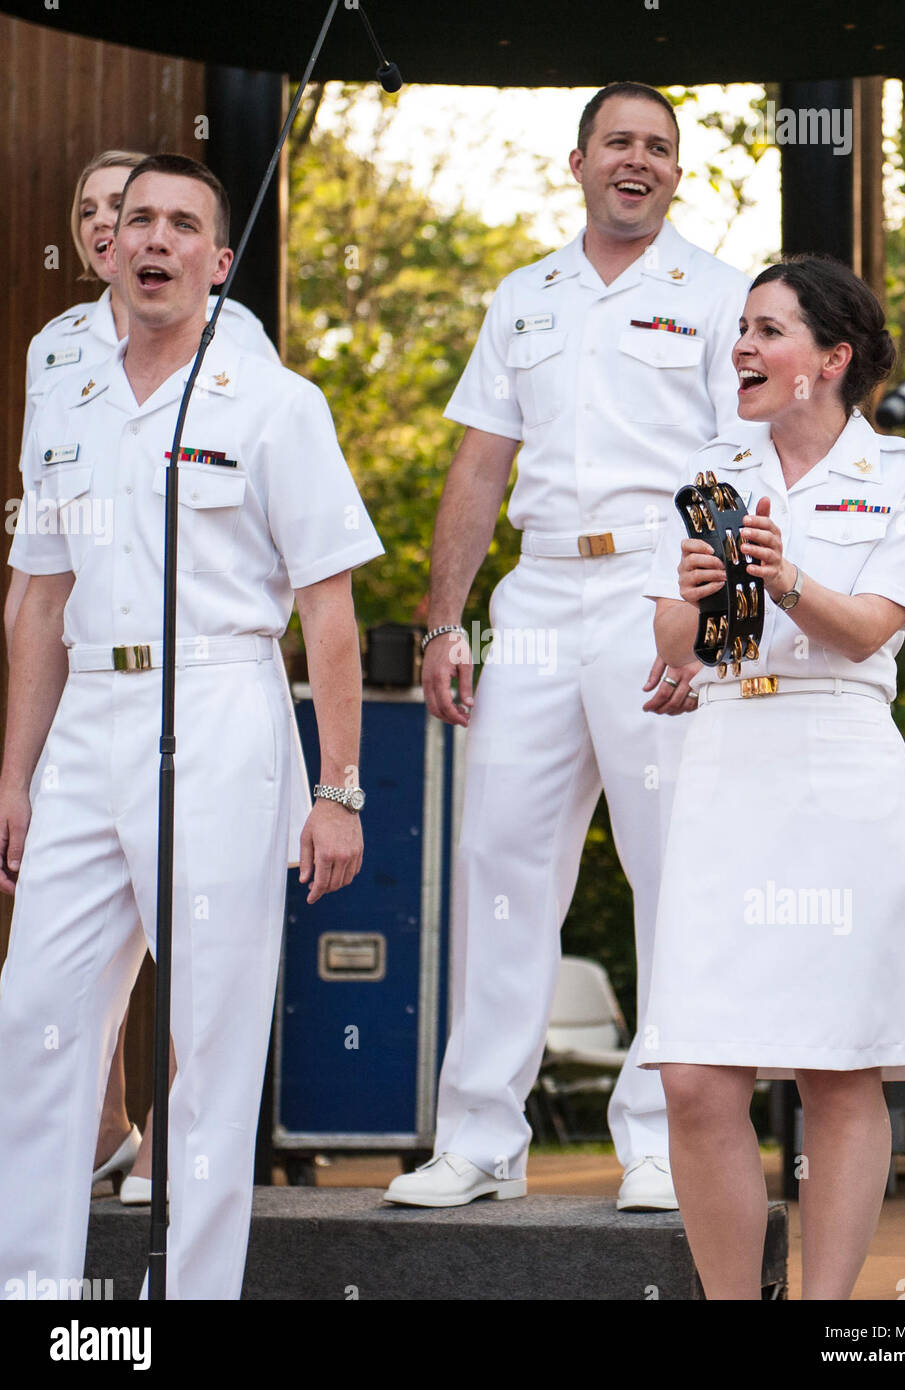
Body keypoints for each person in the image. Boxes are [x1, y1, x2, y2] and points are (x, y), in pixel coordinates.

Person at [0, 154, 382, 1299]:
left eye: (182, 224)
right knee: (35, 1019)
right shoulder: (64, 392)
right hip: (84, 720)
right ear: (107, 249)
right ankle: (37, 1297)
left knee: (211, 1040)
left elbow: (330, 609)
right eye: (134, 222)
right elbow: (39, 599)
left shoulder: (275, 402)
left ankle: (192, 1304)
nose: (153, 239)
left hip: (217, 707)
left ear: (218, 262)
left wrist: (339, 785)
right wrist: (14, 774)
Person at [384, 82, 748, 1212]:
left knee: (667, 872)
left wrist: (701, 611)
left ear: (675, 174)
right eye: (617, 144)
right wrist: (448, 620)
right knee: (498, 864)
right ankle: (483, 1137)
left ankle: (655, 1138)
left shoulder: (721, 292)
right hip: (536, 589)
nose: (635, 162)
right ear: (577, 161)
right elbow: (479, 465)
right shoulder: (522, 295)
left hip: (658, 580)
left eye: (657, 148)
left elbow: (733, 466)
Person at [639, 254, 905, 1298]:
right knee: (692, 1071)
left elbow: (871, 628)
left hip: (841, 767)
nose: (741, 344)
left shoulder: (902, 474)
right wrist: (695, 598)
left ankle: (825, 1316)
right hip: (727, 761)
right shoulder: (707, 472)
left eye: (768, 329)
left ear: (829, 359)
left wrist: (787, 578)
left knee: (838, 1064)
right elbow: (675, 643)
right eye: (740, 327)